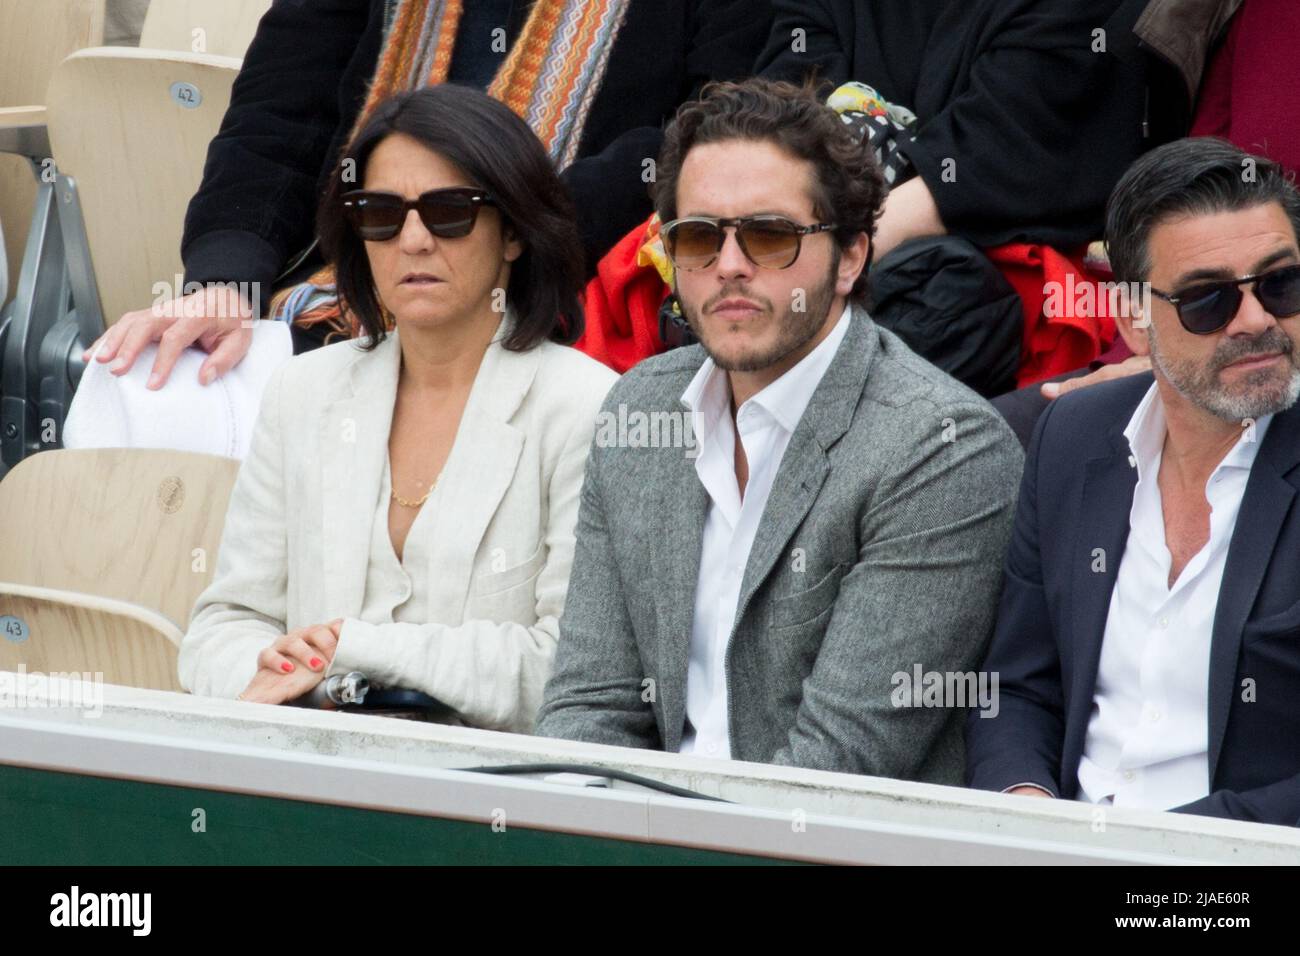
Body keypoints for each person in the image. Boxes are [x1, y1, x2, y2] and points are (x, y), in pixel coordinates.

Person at [535, 80, 1023, 779]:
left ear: (852, 256)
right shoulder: (640, 409)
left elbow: (838, 770)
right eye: (699, 238)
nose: (729, 265)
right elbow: (591, 707)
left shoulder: (940, 447)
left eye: (769, 235)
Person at [179, 85, 618, 733]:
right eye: (380, 214)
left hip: (494, 806)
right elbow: (223, 625)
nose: (412, 240)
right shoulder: (301, 390)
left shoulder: (587, 406)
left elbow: (571, 671)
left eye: (449, 212)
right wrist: (265, 666)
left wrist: (346, 654)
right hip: (303, 788)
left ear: (515, 234)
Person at [86, 0, 773, 389]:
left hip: (556, 302)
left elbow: (705, 131)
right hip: (345, 292)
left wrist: (504, 236)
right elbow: (279, 114)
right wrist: (226, 280)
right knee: (167, 376)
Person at [967, 138, 1300, 825]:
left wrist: (1152, 853)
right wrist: (1024, 809)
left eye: (1281, 283)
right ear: (1132, 320)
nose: (1257, 320)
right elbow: (1016, 687)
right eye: (1208, 300)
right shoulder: (1073, 438)